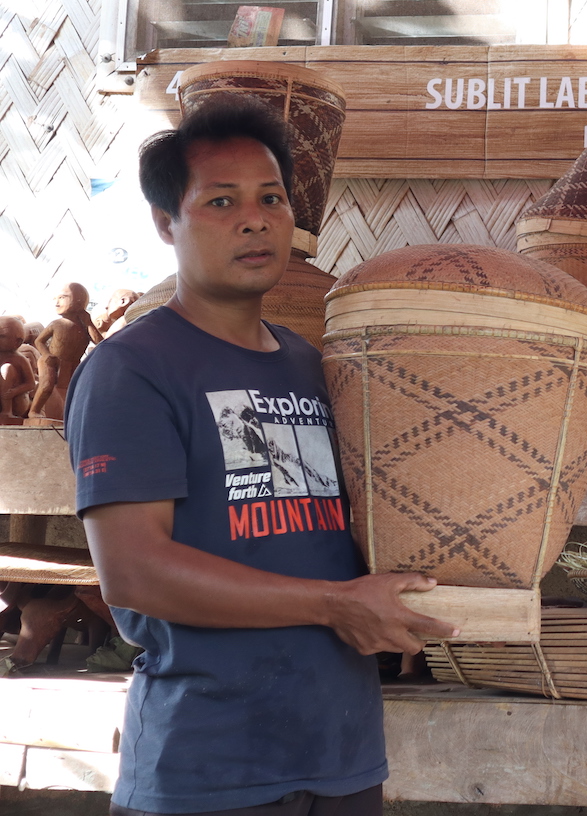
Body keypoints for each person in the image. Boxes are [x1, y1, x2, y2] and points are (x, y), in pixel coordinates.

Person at [65, 96, 458, 816]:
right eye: (221, 201)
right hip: (206, 765)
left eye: (271, 198)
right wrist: (337, 606)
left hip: (341, 758)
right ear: (165, 222)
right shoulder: (134, 368)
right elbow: (133, 572)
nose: (255, 219)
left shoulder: (315, 366)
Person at [29, 282, 98, 420]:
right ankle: (34, 411)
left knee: (72, 391)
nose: (57, 303)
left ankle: (68, 417)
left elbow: (100, 342)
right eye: (56, 299)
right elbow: (39, 341)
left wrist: (89, 323)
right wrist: (47, 354)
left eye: (62, 297)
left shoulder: (85, 328)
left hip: (72, 364)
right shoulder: (57, 324)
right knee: (47, 385)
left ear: (79, 301)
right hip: (51, 360)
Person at [0, 315, 35, 420]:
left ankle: (7, 411)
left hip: (17, 402)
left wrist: (15, 391)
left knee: (7, 369)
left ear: (17, 342)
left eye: (2, 336)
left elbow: (31, 384)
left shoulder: (19, 359)